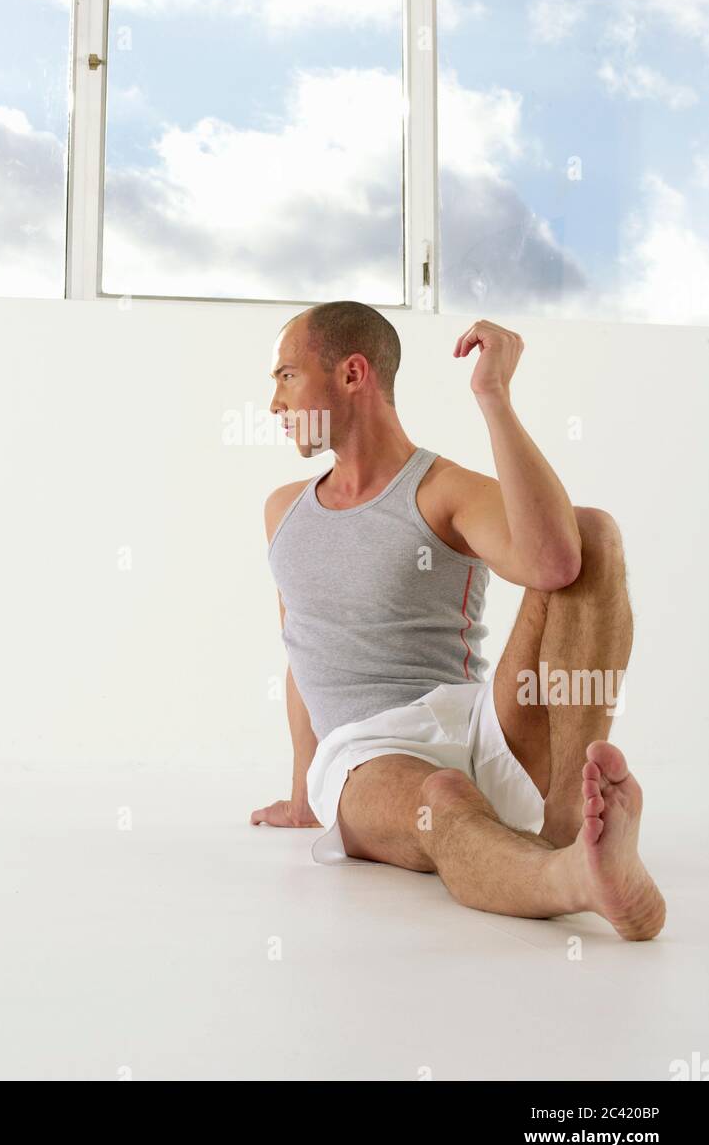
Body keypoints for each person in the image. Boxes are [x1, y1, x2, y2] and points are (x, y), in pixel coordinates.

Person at [251, 301, 665, 942]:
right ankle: (578, 879)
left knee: (590, 532)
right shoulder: (284, 512)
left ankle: (567, 820)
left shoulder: (443, 489)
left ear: (352, 374)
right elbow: (300, 650)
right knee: (444, 798)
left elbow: (554, 562)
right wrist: (305, 790)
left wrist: (493, 395)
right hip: (367, 760)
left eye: (285, 376)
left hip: (481, 725)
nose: (274, 403)